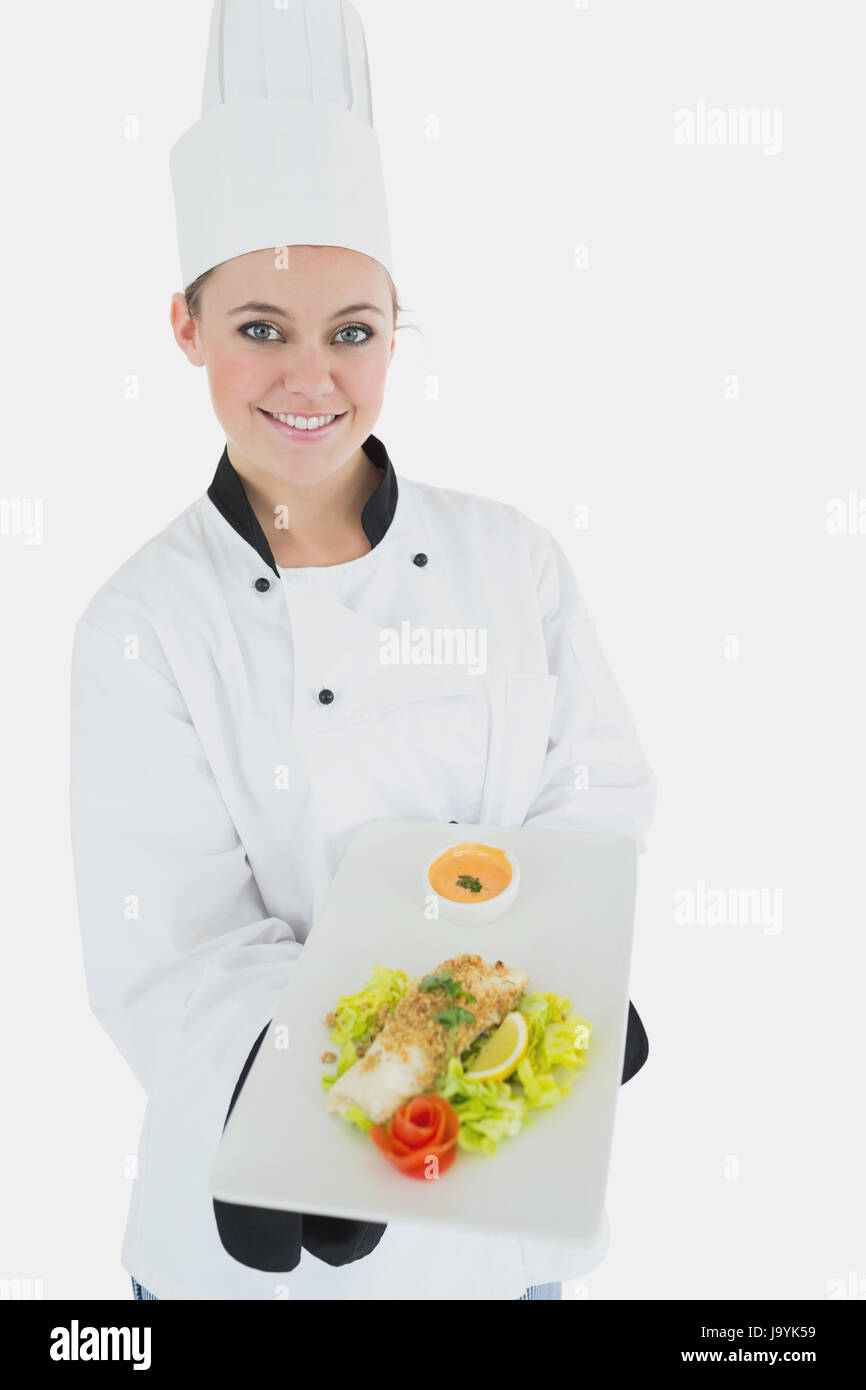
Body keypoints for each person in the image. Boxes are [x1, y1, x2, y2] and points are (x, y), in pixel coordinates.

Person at [69, 0, 655, 1301]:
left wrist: (569, 973)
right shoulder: (143, 621)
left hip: (501, 1219)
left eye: (352, 329)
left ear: (395, 327)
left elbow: (597, 794)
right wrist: (288, 1092)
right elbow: (170, 945)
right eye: (259, 328)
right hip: (248, 1232)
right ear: (186, 327)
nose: (309, 378)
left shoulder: (516, 559)